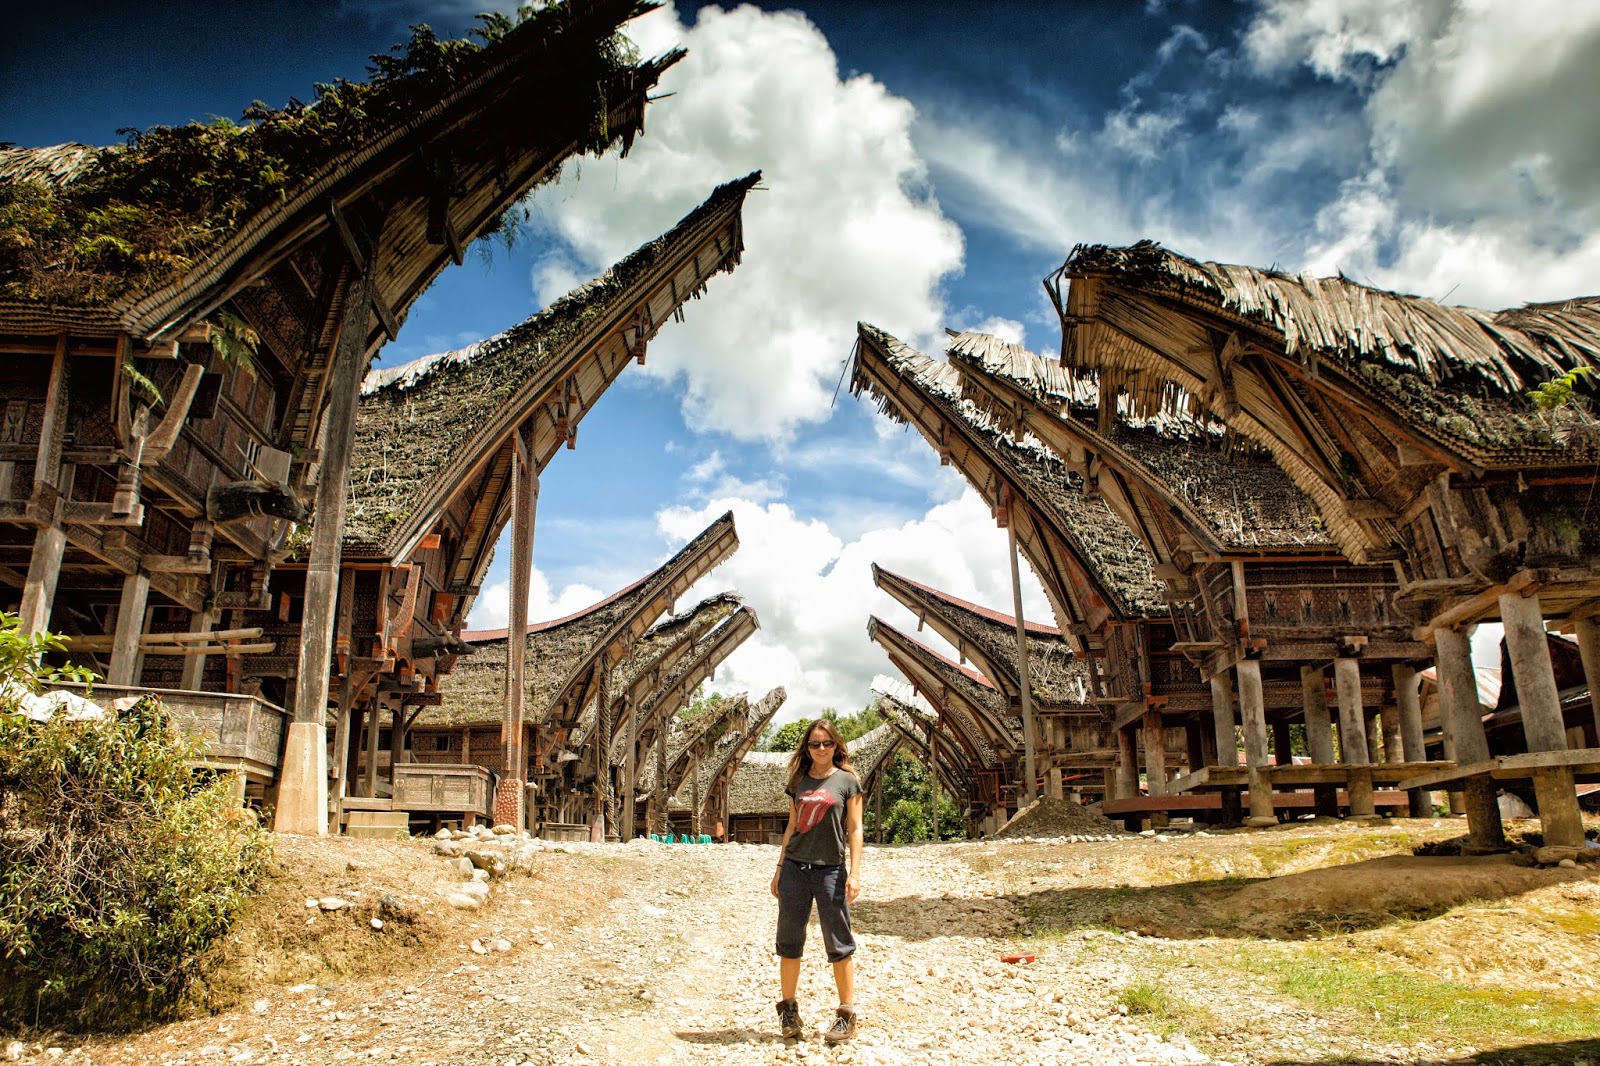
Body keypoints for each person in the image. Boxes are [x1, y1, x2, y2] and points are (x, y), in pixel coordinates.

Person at [770, 717, 863, 1044]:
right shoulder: (798, 781)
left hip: (831, 870)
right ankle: (789, 1012)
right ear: (806, 748)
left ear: (836, 745)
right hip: (796, 868)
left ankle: (846, 1014)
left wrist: (855, 872)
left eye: (827, 743)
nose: (821, 748)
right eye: (814, 743)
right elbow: (792, 827)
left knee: (839, 941)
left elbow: (855, 829)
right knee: (789, 940)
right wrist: (780, 867)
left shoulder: (848, 781)